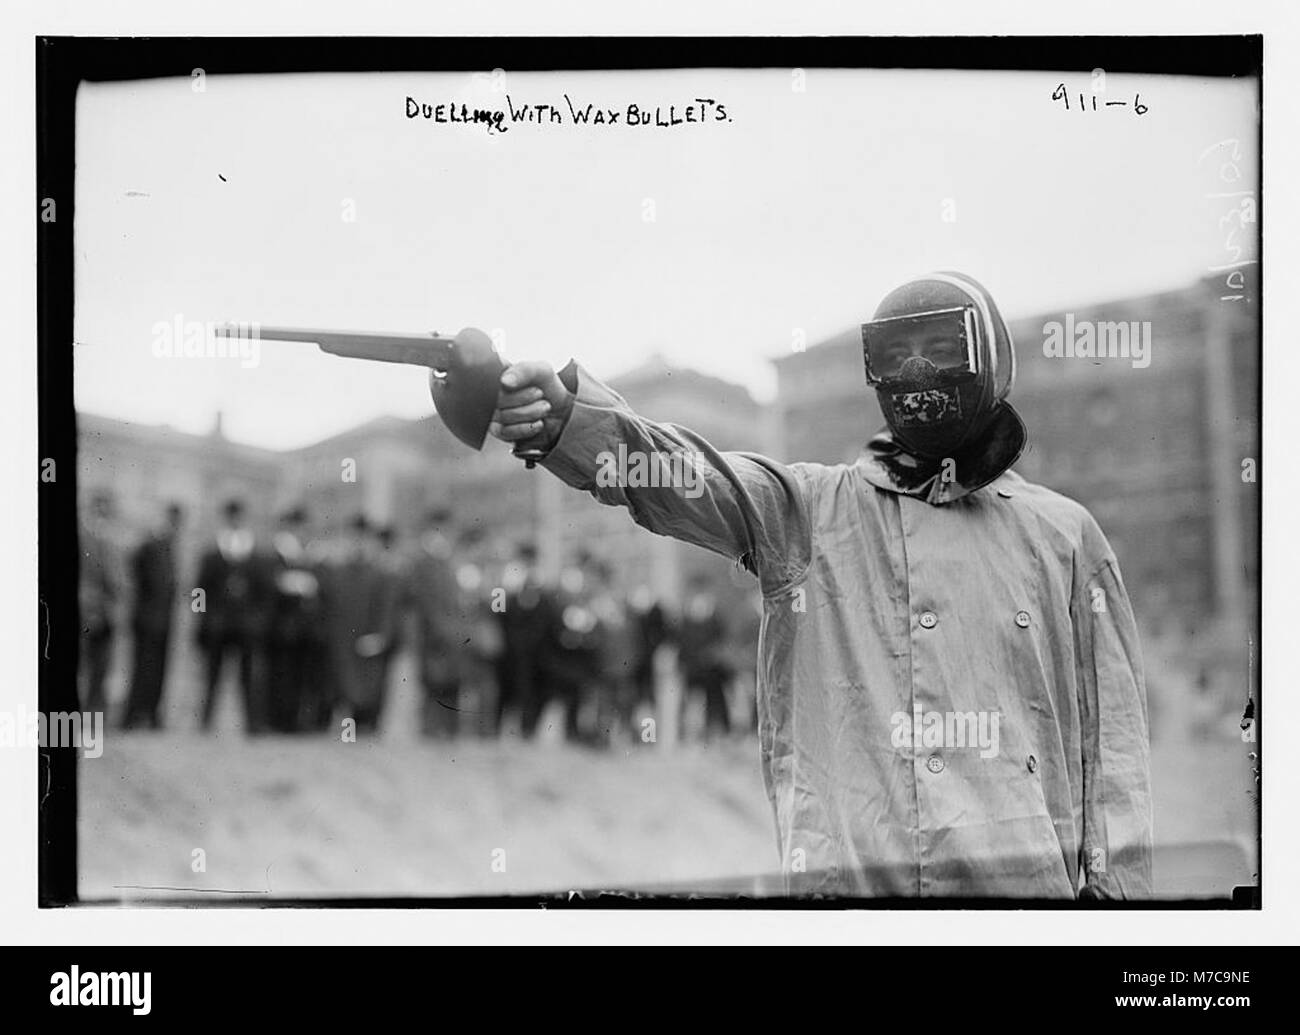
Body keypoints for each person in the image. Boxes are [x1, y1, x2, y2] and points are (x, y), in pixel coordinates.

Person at [486, 271, 1153, 899]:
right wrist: (567, 419)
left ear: (993, 361)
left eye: (942, 345)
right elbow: (680, 474)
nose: (916, 369)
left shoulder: (1065, 537)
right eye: (895, 353)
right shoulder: (805, 513)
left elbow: (1114, 749)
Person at [196, 498, 270, 734]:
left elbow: (264, 593)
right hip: (218, 624)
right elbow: (200, 590)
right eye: (232, 515)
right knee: (212, 676)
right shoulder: (212, 553)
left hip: (246, 626)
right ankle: (205, 721)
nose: (235, 520)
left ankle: (252, 724)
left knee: (248, 677)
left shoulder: (255, 555)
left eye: (239, 515)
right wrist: (204, 619)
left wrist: (258, 620)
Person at [123, 502, 184, 729]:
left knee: (159, 671)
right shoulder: (149, 545)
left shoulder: (171, 548)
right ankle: (133, 714)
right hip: (147, 620)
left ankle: (151, 714)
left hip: (164, 621)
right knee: (142, 668)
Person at [264, 506, 324, 733]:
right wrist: (295, 584)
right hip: (283, 625)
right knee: (280, 674)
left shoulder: (309, 552)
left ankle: (295, 719)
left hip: (305, 627)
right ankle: (278, 719)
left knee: (301, 676)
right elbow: (271, 582)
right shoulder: (279, 551)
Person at [79, 491, 124, 714]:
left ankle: (92, 712)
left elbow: (117, 581)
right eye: (99, 509)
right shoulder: (82, 537)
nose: (102, 516)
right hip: (85, 612)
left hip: (106, 616)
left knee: (101, 668)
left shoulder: (111, 542)